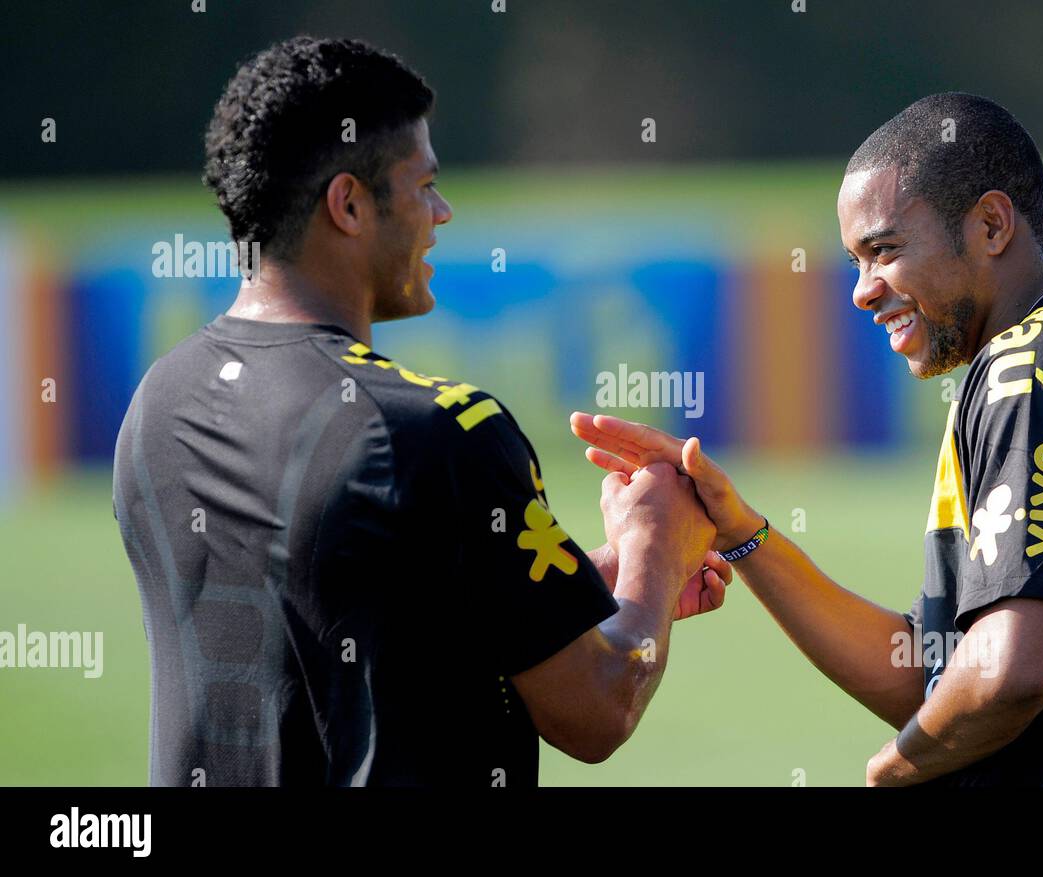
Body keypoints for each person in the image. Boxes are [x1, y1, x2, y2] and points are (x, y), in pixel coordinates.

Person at [111, 36, 728, 788]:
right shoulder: (441, 429)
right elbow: (598, 709)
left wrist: (575, 588)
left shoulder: (159, 399)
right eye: (425, 184)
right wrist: (656, 551)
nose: (442, 211)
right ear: (348, 204)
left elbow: (328, 612)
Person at [573, 92, 1043, 786]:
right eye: (855, 261)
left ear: (990, 224)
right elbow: (936, 673)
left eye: (884, 250)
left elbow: (1012, 669)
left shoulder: (1026, 369)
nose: (861, 290)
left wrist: (896, 768)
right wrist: (740, 532)